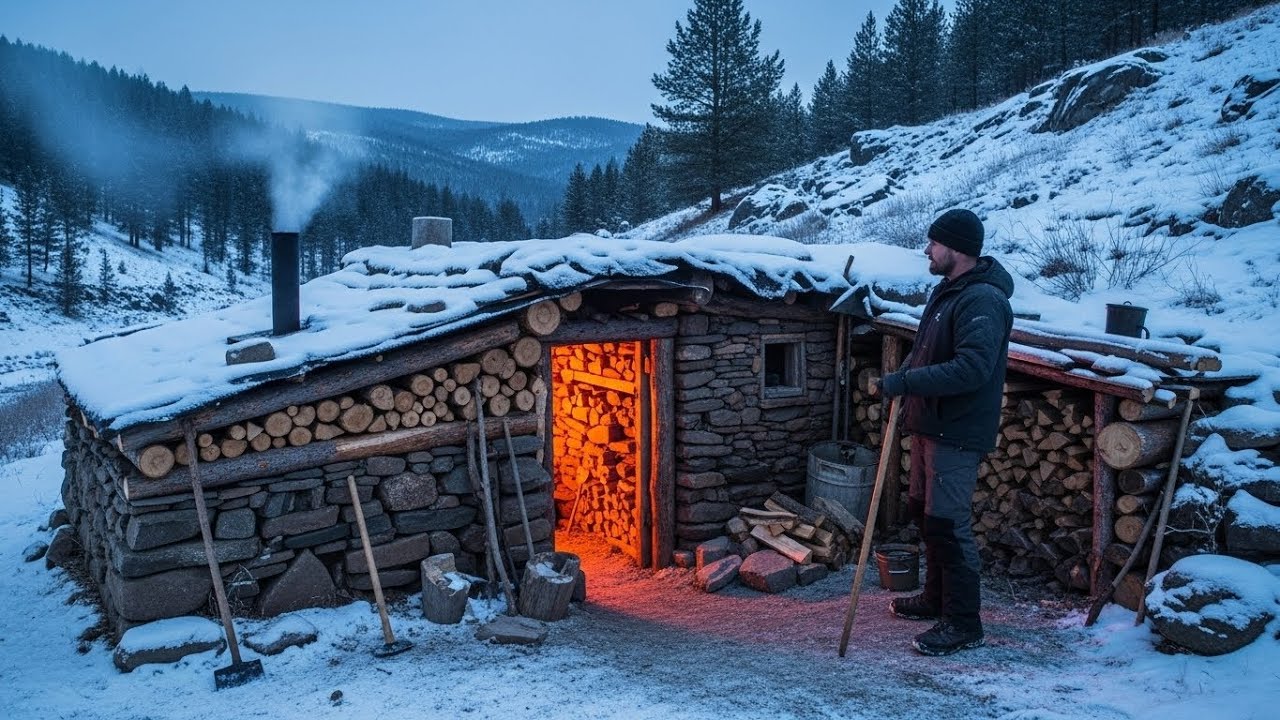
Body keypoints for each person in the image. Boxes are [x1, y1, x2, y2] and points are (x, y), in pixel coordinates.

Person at [877, 208, 1014, 656]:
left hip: (956, 430)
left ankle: (963, 622)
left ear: (955, 248)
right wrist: (908, 380)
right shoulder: (950, 292)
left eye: (933, 244)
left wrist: (907, 382)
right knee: (924, 514)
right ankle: (936, 598)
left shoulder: (983, 301)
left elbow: (973, 368)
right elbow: (928, 354)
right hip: (930, 423)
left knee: (948, 525)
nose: (927, 250)